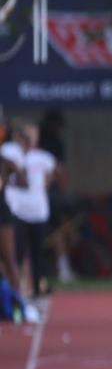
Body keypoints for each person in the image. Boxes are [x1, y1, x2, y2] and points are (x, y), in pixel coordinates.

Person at [3, 123, 58, 299]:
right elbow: (19, 179)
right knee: (13, 254)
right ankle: (15, 291)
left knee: (35, 252)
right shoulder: (10, 151)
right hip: (16, 210)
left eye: (31, 137)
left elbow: (54, 172)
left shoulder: (41, 157)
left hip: (38, 212)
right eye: (25, 136)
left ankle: (34, 288)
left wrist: (46, 184)